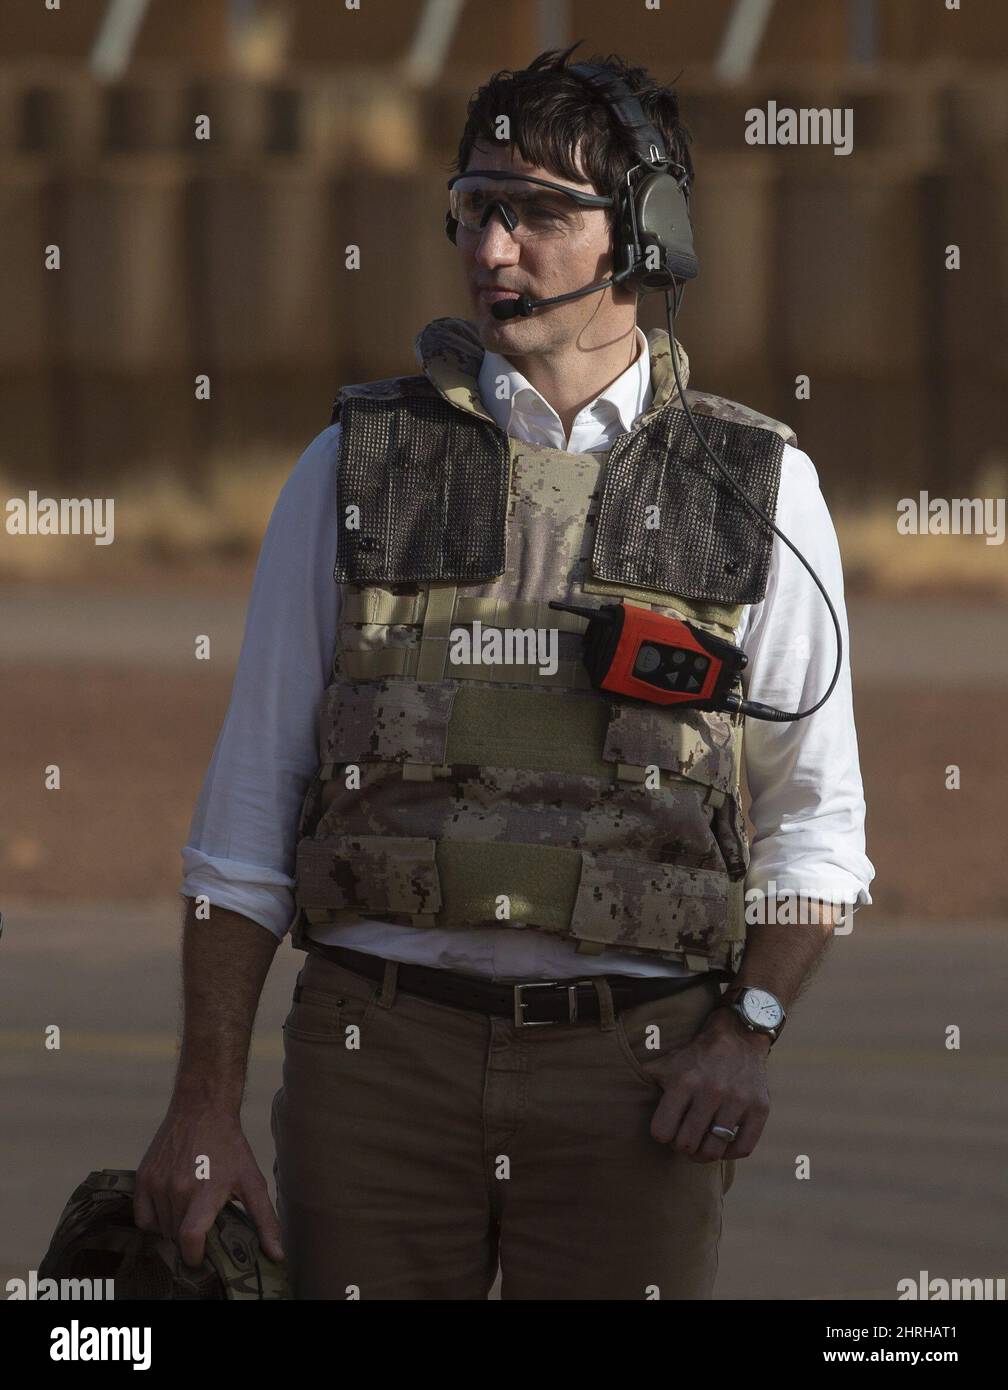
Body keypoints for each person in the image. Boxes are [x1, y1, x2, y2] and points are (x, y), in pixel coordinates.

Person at [135, 45, 875, 1300]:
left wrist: (746, 1034)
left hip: (635, 1087)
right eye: (475, 208)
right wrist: (202, 1101)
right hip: (377, 1062)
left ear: (643, 232)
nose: (492, 250)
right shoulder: (354, 467)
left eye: (535, 212)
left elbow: (819, 827)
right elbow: (247, 818)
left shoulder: (758, 488)